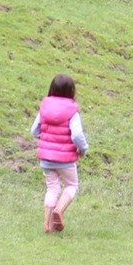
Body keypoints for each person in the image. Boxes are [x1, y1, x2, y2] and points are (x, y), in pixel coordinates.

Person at [32, 73, 88, 233]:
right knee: (72, 185)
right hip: (65, 160)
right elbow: (77, 135)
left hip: (46, 159)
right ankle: (59, 210)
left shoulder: (45, 107)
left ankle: (47, 225)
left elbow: (34, 130)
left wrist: (47, 140)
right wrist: (83, 149)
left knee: (52, 188)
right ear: (72, 91)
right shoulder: (72, 111)